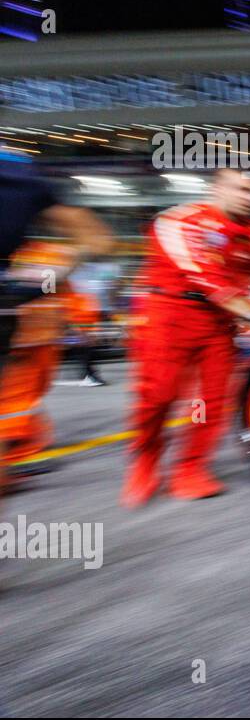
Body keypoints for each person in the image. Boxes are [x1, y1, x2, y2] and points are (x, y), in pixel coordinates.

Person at [121, 167, 250, 507]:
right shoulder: (180, 221)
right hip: (169, 316)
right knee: (158, 395)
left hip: (218, 325)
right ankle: (146, 458)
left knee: (210, 402)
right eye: (242, 190)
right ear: (216, 189)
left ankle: (189, 468)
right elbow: (202, 273)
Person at [0, 158, 112, 493]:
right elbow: (94, 245)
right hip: (25, 337)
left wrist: (80, 322)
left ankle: (24, 449)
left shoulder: (42, 253)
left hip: (39, 337)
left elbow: (65, 291)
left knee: (29, 397)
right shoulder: (35, 251)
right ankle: (22, 450)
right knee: (17, 400)